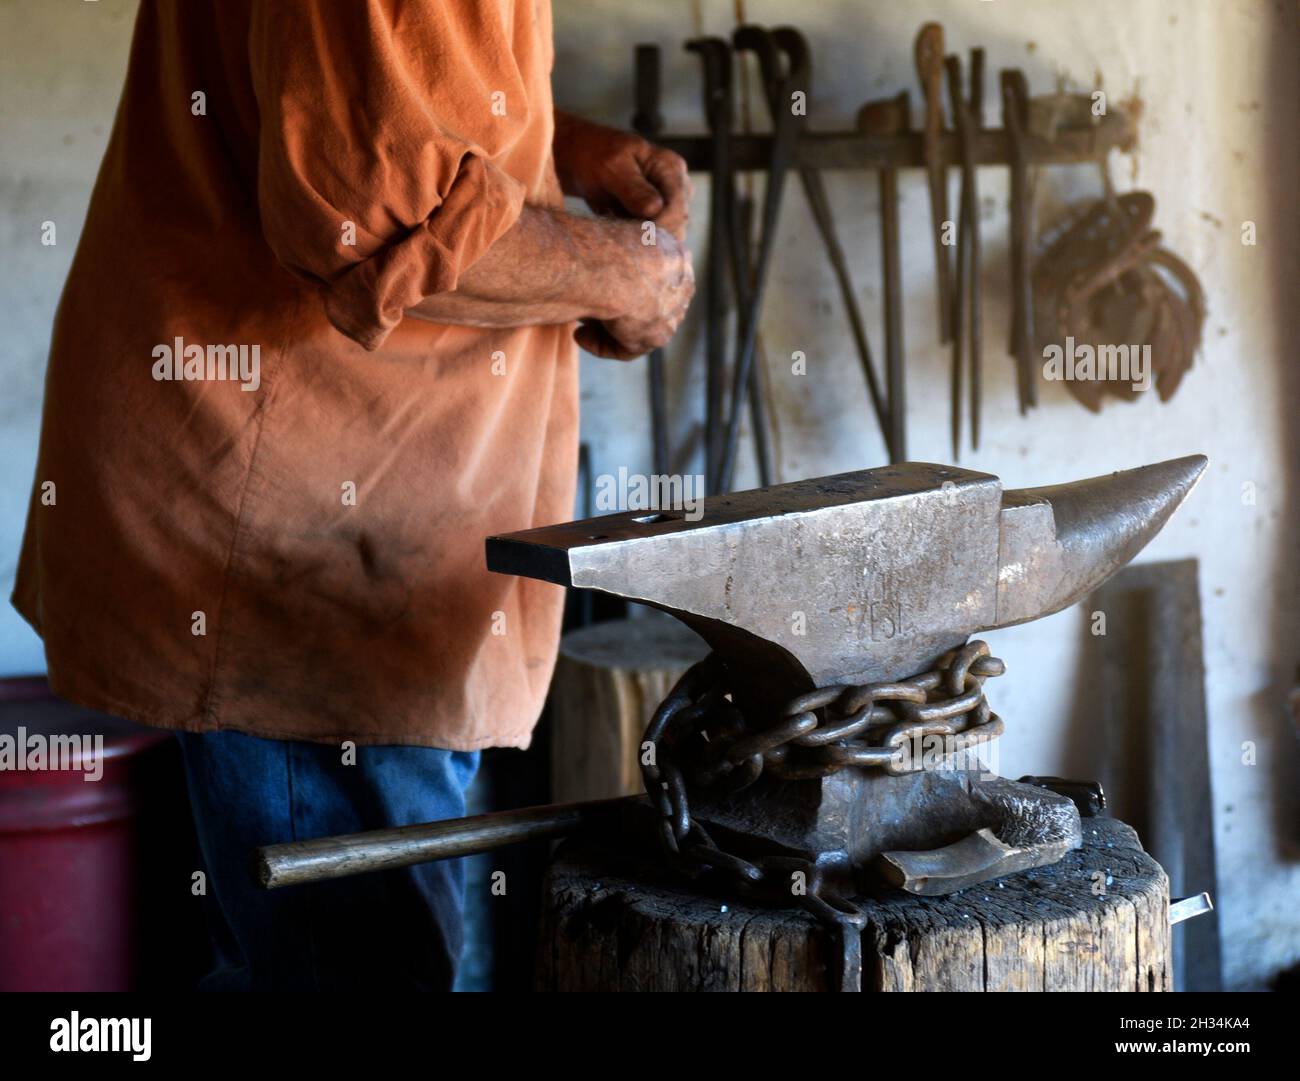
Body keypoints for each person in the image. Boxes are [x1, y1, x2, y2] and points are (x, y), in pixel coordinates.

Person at [12, 0, 694, 990]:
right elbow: (370, 223)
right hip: (300, 530)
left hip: (356, 520)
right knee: (350, 973)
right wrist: (628, 272)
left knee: (296, 962)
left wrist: (549, 146)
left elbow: (359, 102)